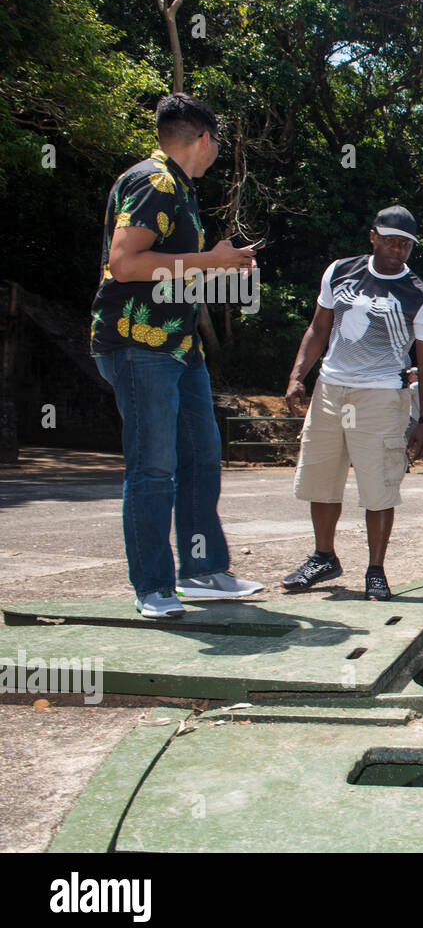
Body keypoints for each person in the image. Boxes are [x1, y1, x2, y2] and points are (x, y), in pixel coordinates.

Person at [90, 92, 264, 619]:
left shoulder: (180, 189)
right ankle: (153, 587)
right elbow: (124, 264)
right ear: (206, 138)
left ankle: (203, 570)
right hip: (138, 344)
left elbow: (169, 269)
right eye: (219, 142)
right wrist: (211, 258)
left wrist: (221, 267)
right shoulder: (153, 182)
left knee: (201, 455)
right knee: (153, 467)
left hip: (179, 347)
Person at [282, 206, 423, 600]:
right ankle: (323, 557)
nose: (397, 249)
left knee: (380, 485)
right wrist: (297, 376)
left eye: (405, 243)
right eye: (389, 239)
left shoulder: (421, 295)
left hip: (382, 395)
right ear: (373, 236)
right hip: (331, 389)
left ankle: (376, 569)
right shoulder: (340, 271)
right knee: (321, 478)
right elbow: (318, 329)